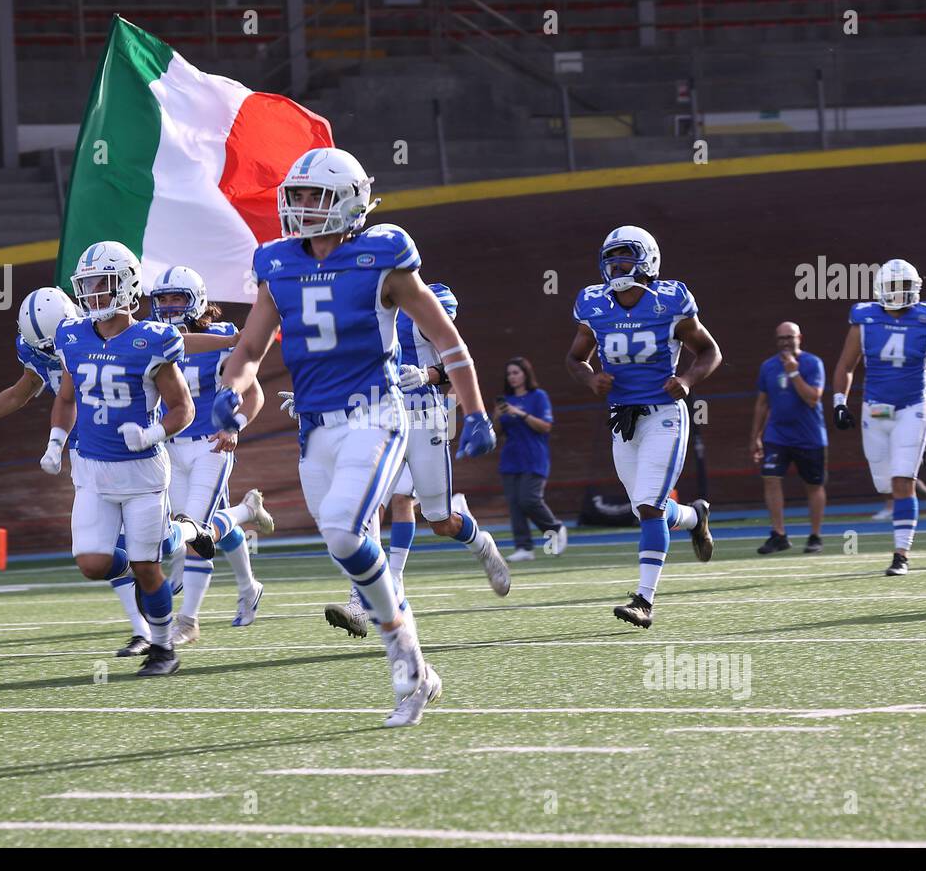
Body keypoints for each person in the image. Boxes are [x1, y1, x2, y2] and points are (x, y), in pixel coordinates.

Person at [213, 146, 496, 726]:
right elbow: (248, 348)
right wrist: (232, 387)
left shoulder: (384, 257)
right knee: (350, 553)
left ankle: (402, 662)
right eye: (297, 196)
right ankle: (419, 670)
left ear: (349, 200)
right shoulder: (279, 264)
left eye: (314, 197)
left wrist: (476, 410)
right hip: (314, 428)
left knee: (345, 531)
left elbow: (449, 341)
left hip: (377, 415)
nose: (300, 208)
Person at [0, 286, 230, 657]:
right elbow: (24, 391)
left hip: (135, 451)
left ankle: (189, 536)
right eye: (44, 347)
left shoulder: (107, 334)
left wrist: (237, 338)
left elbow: (166, 342)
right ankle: (141, 628)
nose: (52, 353)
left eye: (53, 344)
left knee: (151, 549)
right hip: (88, 455)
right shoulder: (54, 343)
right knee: (101, 552)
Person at [44, 240, 214, 677]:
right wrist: (55, 441)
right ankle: (182, 534)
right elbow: (66, 397)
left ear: (126, 287)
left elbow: (184, 409)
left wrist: (154, 432)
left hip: (142, 471)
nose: (92, 294)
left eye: (102, 284)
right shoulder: (72, 335)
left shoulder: (152, 340)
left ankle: (162, 648)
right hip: (92, 470)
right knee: (93, 563)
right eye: (87, 285)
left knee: (145, 565)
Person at [306, 281, 511, 637]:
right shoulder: (365, 318)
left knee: (440, 520)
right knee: (371, 505)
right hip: (380, 416)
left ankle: (482, 544)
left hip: (425, 417)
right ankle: (363, 598)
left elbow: (457, 363)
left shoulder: (424, 308)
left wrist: (428, 375)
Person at [565, 225, 720, 629]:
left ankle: (644, 600)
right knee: (646, 510)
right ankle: (693, 516)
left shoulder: (669, 301)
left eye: (625, 257)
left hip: (664, 414)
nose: (617, 265)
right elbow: (575, 358)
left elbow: (709, 351)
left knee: (650, 506)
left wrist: (686, 380)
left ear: (647, 259)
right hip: (623, 419)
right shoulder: (593, 303)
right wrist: (588, 378)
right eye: (612, 258)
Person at [145, 265, 276, 646]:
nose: (169, 306)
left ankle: (188, 621)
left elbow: (253, 395)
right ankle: (249, 584)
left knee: (195, 533)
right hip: (170, 448)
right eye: (163, 299)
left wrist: (234, 425)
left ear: (197, 301)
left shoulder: (221, 338)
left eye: (177, 298)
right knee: (213, 525)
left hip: (210, 444)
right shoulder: (153, 340)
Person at [831, 258, 926, 575]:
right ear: (881, 288)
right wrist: (839, 402)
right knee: (884, 484)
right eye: (895, 286)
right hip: (875, 409)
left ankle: (900, 555)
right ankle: (921, 447)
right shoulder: (864, 319)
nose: (900, 292)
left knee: (903, 481)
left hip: (913, 406)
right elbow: (846, 366)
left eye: (906, 286)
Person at [749, 321, 827, 554]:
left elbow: (813, 398)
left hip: (809, 435)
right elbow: (762, 403)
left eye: (789, 337)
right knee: (770, 478)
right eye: (781, 338)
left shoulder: (813, 363)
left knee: (813, 485)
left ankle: (815, 535)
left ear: (799, 338)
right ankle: (779, 534)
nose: (785, 342)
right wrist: (755, 436)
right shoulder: (768, 367)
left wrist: (793, 371)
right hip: (777, 435)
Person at [496, 357, 566, 562]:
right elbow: (497, 432)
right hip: (510, 459)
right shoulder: (506, 400)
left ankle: (554, 528)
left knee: (529, 499)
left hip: (534, 457)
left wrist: (520, 414)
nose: (512, 377)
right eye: (509, 374)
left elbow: (545, 426)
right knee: (515, 504)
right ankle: (524, 547)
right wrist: (497, 415)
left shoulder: (538, 396)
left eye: (516, 372)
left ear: (526, 374)